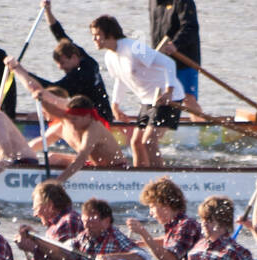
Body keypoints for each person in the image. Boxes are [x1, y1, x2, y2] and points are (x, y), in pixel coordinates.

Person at [88, 14, 182, 168]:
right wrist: (115, 105)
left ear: (110, 34)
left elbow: (169, 63)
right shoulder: (109, 57)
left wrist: (169, 91)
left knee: (149, 141)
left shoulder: (135, 47)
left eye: (97, 35)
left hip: (169, 97)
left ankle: (162, 181)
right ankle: (141, 177)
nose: (94, 40)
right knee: (136, 142)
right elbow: (120, 79)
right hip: (148, 101)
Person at [17, 87, 126, 181]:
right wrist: (42, 100)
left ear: (87, 117)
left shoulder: (93, 129)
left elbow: (81, 158)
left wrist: (58, 182)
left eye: (75, 119)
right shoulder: (70, 121)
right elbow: (53, 112)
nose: (71, 122)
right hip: (93, 165)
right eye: (70, 118)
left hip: (115, 169)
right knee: (52, 158)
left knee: (60, 161)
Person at [30, 1, 113, 121]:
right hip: (91, 114)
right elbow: (59, 34)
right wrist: (48, 11)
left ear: (74, 57)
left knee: (34, 117)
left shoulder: (80, 75)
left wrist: (23, 73)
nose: (60, 68)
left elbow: (53, 89)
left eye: (63, 63)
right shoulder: (86, 59)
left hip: (98, 120)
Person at [183, 194, 257, 260]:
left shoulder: (233, 250)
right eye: (202, 219)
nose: (203, 223)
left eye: (209, 219)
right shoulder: (199, 244)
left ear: (223, 222)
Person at [127, 176, 201, 260]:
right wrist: (140, 243)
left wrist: (143, 233)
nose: (151, 213)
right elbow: (171, 241)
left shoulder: (187, 225)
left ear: (165, 204)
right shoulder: (176, 225)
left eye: (152, 206)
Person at [16, 180, 83, 260]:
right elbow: (53, 252)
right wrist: (35, 248)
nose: (34, 214)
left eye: (36, 208)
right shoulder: (56, 225)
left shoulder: (69, 221)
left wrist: (34, 248)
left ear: (50, 205)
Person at [149, 0, 200, 99]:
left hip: (184, 59)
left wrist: (175, 44)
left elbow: (190, 27)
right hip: (162, 59)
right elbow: (154, 30)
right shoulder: (153, 2)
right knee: (161, 96)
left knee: (188, 98)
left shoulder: (184, 2)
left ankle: (197, 114)